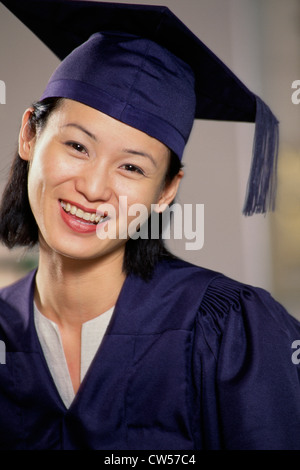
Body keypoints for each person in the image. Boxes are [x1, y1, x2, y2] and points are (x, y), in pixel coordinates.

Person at [0, 0, 299, 451]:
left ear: (165, 191)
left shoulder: (231, 330)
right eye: (78, 146)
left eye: (133, 168)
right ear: (29, 135)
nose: (94, 188)